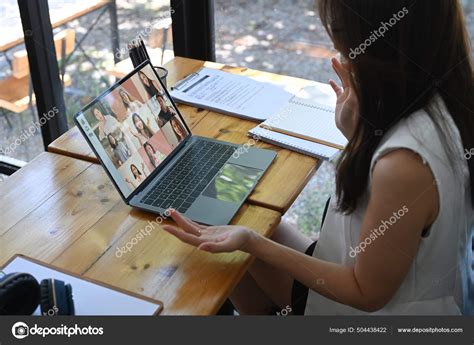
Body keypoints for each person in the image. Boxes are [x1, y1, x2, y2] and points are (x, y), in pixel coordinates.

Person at [162, 0, 474, 315]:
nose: (342, 58)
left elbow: (365, 293)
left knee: (227, 241)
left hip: (367, 309)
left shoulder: (404, 165)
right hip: (358, 266)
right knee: (229, 214)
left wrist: (253, 243)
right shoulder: (448, 102)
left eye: (345, 47)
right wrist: (359, 135)